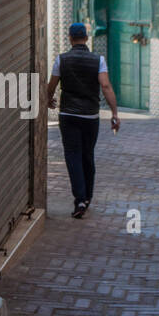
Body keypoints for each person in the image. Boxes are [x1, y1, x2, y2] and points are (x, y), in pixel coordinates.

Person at [47, 22, 120, 218]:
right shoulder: (99, 60)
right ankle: (87, 197)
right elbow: (105, 86)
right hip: (90, 116)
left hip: (68, 115)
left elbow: (52, 84)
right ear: (87, 38)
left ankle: (79, 199)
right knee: (87, 155)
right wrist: (114, 113)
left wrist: (48, 98)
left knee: (73, 156)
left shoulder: (61, 60)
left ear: (70, 38)